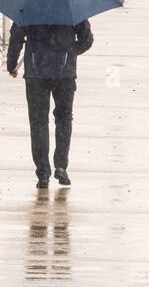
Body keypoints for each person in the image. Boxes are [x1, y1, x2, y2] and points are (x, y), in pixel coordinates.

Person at [6, 21, 93, 188]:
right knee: (64, 118)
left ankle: (43, 173)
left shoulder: (28, 4)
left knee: (38, 122)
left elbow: (16, 35)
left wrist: (12, 64)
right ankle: (61, 165)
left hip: (36, 71)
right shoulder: (71, 5)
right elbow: (87, 39)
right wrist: (70, 50)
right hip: (64, 72)